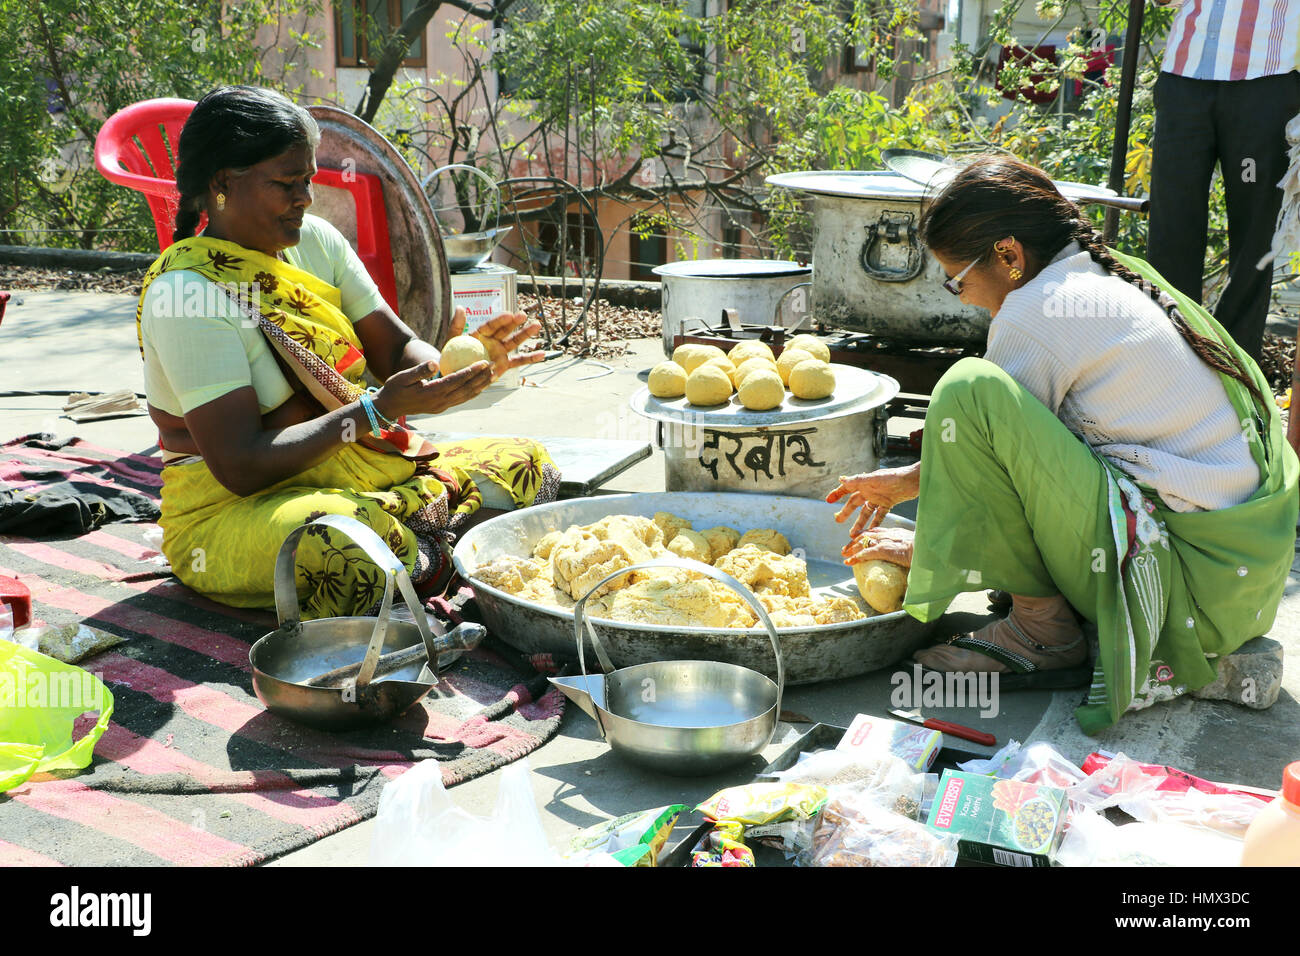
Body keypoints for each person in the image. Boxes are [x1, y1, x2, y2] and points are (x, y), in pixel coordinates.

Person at [826, 155, 1297, 735]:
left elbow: (987, 442)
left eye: (960, 279)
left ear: (1008, 255)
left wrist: (931, 547)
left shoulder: (1034, 312)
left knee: (969, 390)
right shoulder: (1098, 277)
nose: (965, 297)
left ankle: (1041, 631)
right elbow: (1032, 458)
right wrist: (908, 489)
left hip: (1189, 595)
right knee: (990, 406)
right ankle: (1051, 608)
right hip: (1240, 579)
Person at [136, 86, 559, 617]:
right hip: (234, 513)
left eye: (307, 180)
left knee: (528, 463)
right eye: (285, 183)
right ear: (223, 183)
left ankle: (425, 556)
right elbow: (241, 464)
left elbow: (396, 348)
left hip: (368, 477)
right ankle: (441, 550)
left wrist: (457, 362)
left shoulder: (315, 240)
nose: (305, 198)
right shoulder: (187, 293)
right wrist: (375, 412)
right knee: (344, 546)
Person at [1145, 0, 1300, 363]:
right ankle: (1168, 358)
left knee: (1255, 238)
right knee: (1171, 225)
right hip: (1184, 77)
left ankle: (1233, 369)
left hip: (1265, 81)